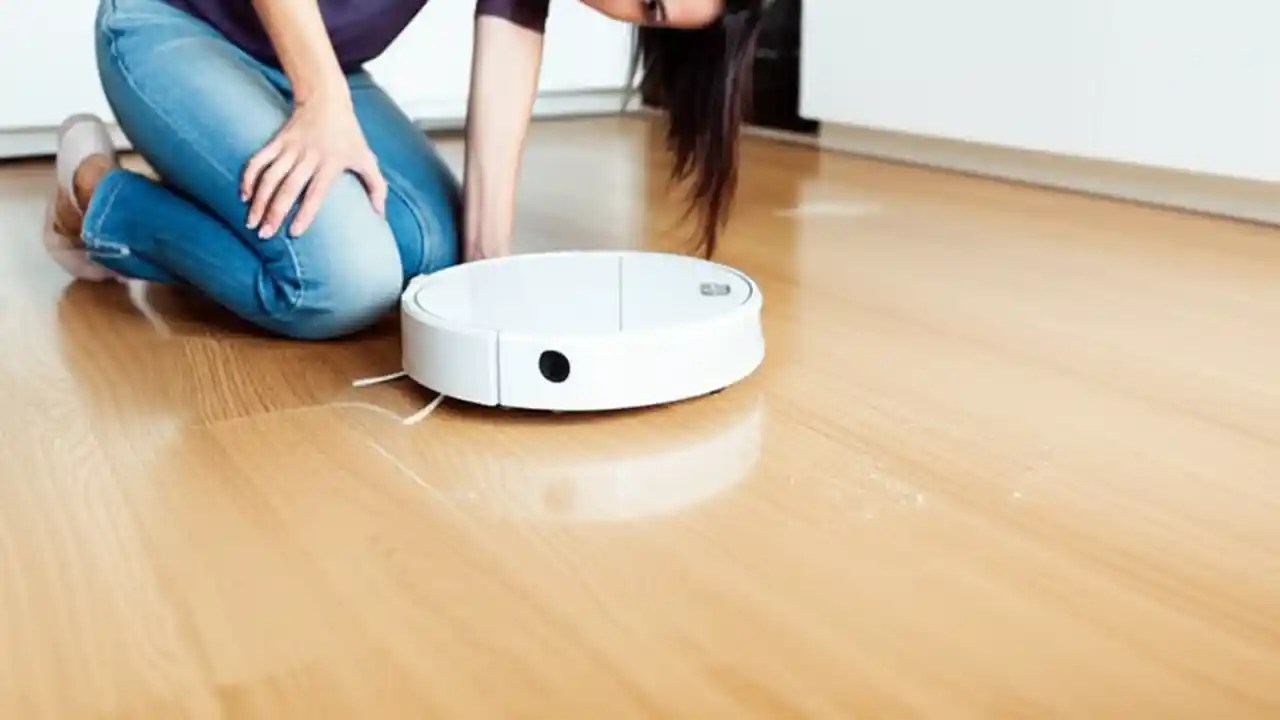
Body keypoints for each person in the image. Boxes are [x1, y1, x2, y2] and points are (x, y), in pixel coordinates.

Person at [45, 0, 768, 339]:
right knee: (342, 281)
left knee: (439, 259)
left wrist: (491, 277)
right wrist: (320, 98)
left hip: (314, 71)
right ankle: (94, 199)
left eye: (649, 5)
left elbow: (496, 118)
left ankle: (218, 177)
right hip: (173, 26)